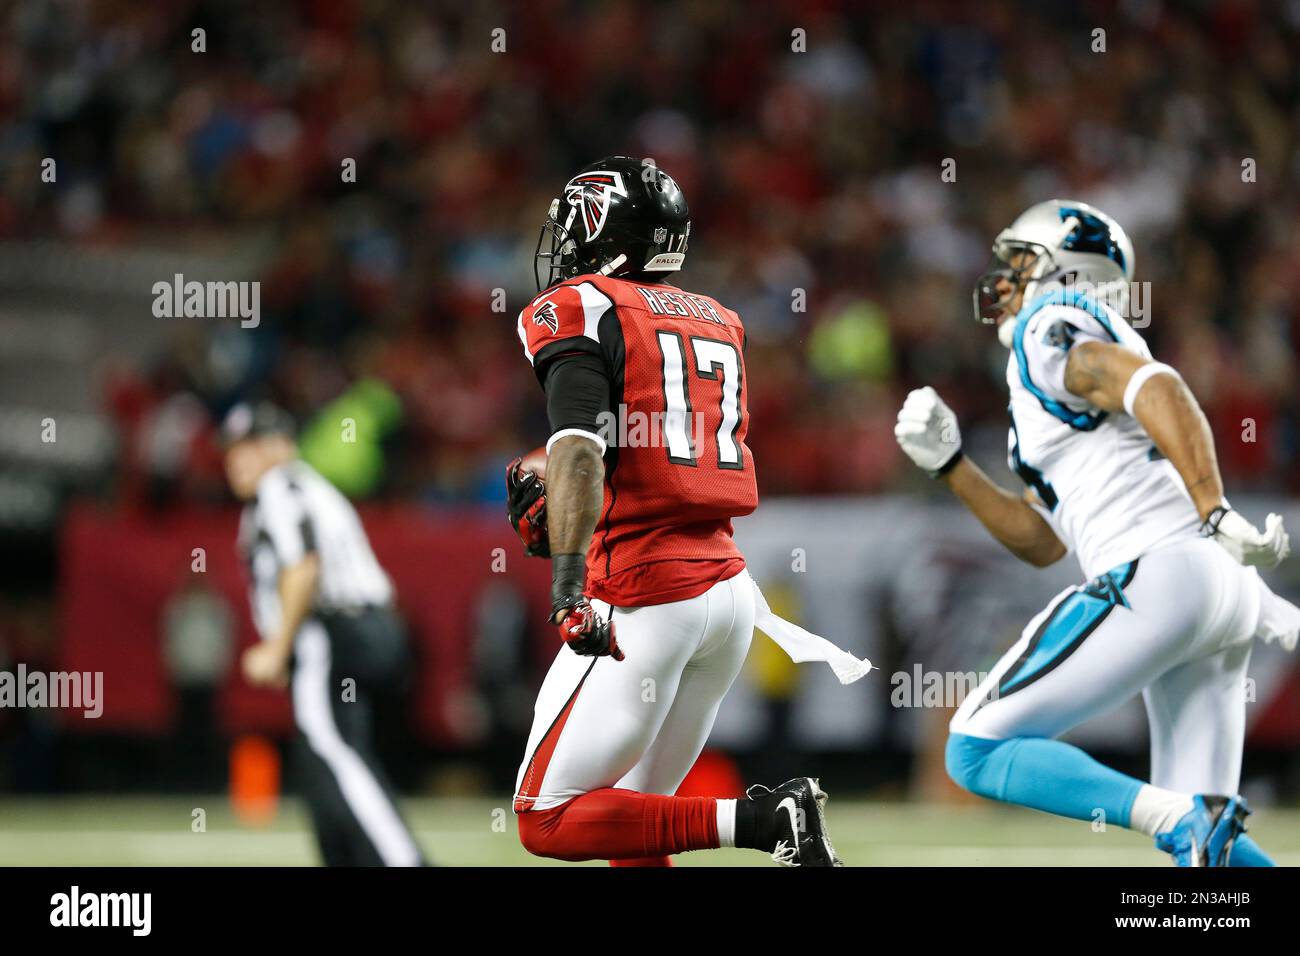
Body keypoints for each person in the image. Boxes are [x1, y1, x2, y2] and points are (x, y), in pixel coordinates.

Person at [894, 199, 1299, 865]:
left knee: (974, 747)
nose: (1002, 280)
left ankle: (1172, 816)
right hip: (1214, 588)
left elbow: (1157, 385)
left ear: (1069, 274)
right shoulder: (1064, 355)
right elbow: (1042, 539)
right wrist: (952, 467)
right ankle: (1186, 820)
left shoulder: (1049, 323)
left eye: (1020, 262)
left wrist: (1215, 509)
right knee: (1209, 864)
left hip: (1160, 569)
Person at [506, 156, 870, 866]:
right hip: (728, 596)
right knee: (636, 827)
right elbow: (657, 449)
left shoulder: (580, 306)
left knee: (544, 818)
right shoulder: (716, 318)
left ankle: (768, 820)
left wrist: (569, 583)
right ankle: (764, 820)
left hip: (646, 597)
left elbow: (580, 451)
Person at [222, 401, 427, 867]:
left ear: (281, 446)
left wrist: (278, 646)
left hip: (333, 630)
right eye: (233, 450)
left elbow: (304, 566)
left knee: (335, 752)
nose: (238, 459)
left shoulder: (281, 486)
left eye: (250, 447)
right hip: (360, 626)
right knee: (316, 763)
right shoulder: (305, 487)